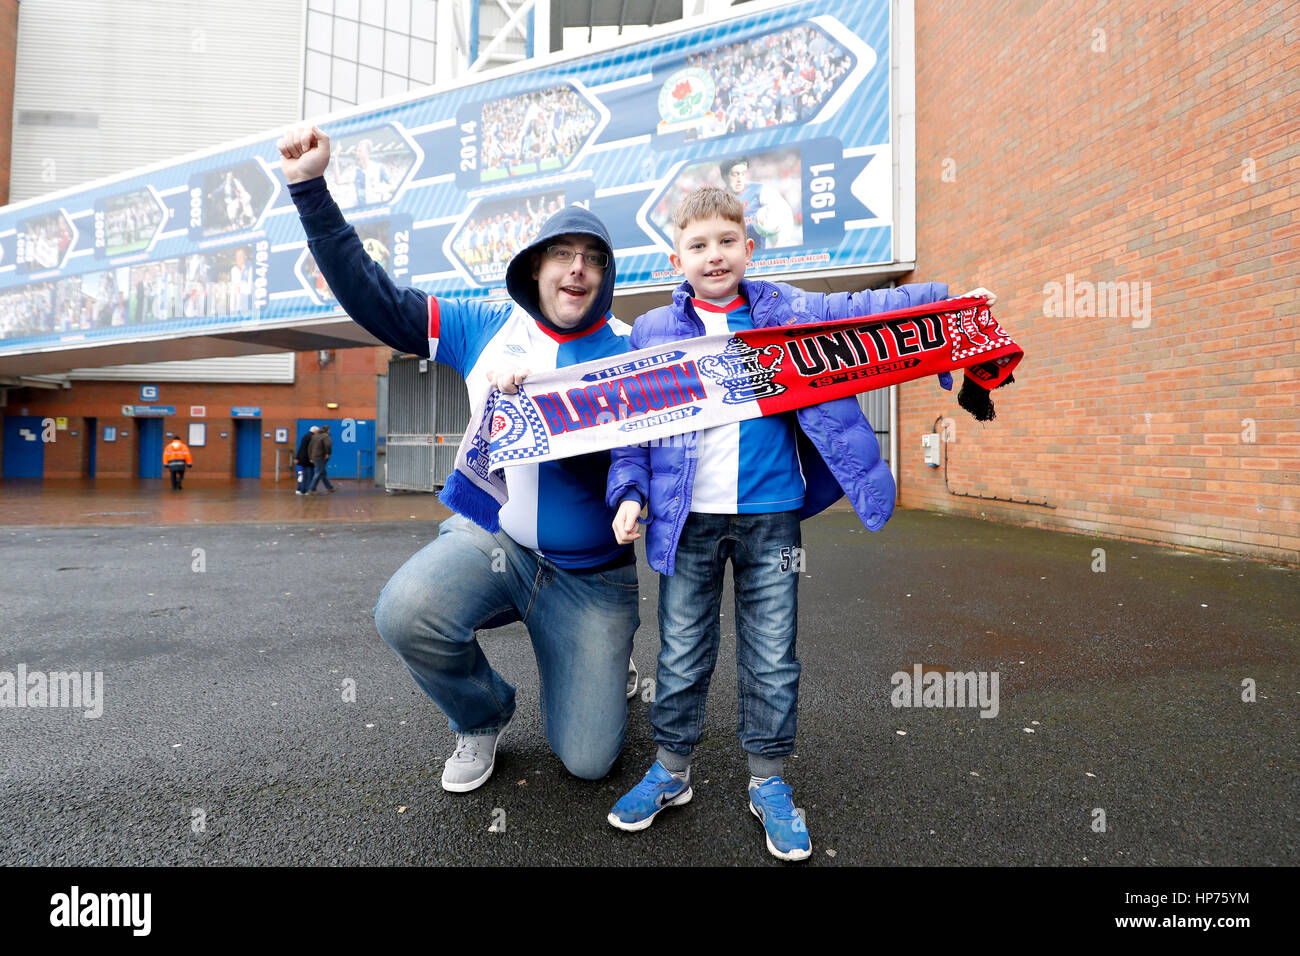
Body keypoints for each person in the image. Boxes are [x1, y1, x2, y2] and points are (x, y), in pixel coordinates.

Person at [604, 186, 997, 861]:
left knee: (774, 655)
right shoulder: (651, 334)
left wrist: (949, 303)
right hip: (685, 524)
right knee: (680, 652)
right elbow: (629, 425)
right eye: (698, 245)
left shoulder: (788, 311)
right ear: (677, 258)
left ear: (749, 248)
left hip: (772, 522)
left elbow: (866, 308)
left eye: (726, 241)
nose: (714, 255)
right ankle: (672, 771)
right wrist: (630, 491)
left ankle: (769, 783)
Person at [277, 124, 640, 791]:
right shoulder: (484, 327)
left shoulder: (632, 350)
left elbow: (646, 461)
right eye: (561, 253)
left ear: (607, 274)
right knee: (406, 609)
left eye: (593, 255)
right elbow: (374, 299)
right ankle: (481, 716)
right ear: (536, 266)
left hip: (592, 577)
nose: (578, 267)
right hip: (495, 544)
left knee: (589, 762)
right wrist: (310, 190)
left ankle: (606, 662)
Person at [719, 156, 795, 249]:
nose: (740, 179)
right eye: (735, 174)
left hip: (758, 257)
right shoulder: (717, 201)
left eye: (743, 174)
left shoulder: (759, 190)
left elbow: (785, 211)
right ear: (724, 176)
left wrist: (782, 242)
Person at [305, 424, 335, 494]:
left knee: (322, 472)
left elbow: (310, 447)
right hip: (321, 456)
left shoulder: (315, 436)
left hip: (314, 457)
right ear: (327, 430)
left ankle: (329, 488)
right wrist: (328, 453)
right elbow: (328, 445)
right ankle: (311, 489)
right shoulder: (326, 436)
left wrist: (310, 457)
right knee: (318, 472)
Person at [295, 425, 318, 495]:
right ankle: (308, 490)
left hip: (302, 459)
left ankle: (302, 490)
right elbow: (311, 449)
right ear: (315, 431)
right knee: (309, 476)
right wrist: (312, 458)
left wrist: (297, 457)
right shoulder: (312, 437)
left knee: (304, 476)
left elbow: (301, 448)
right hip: (308, 459)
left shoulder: (305, 436)